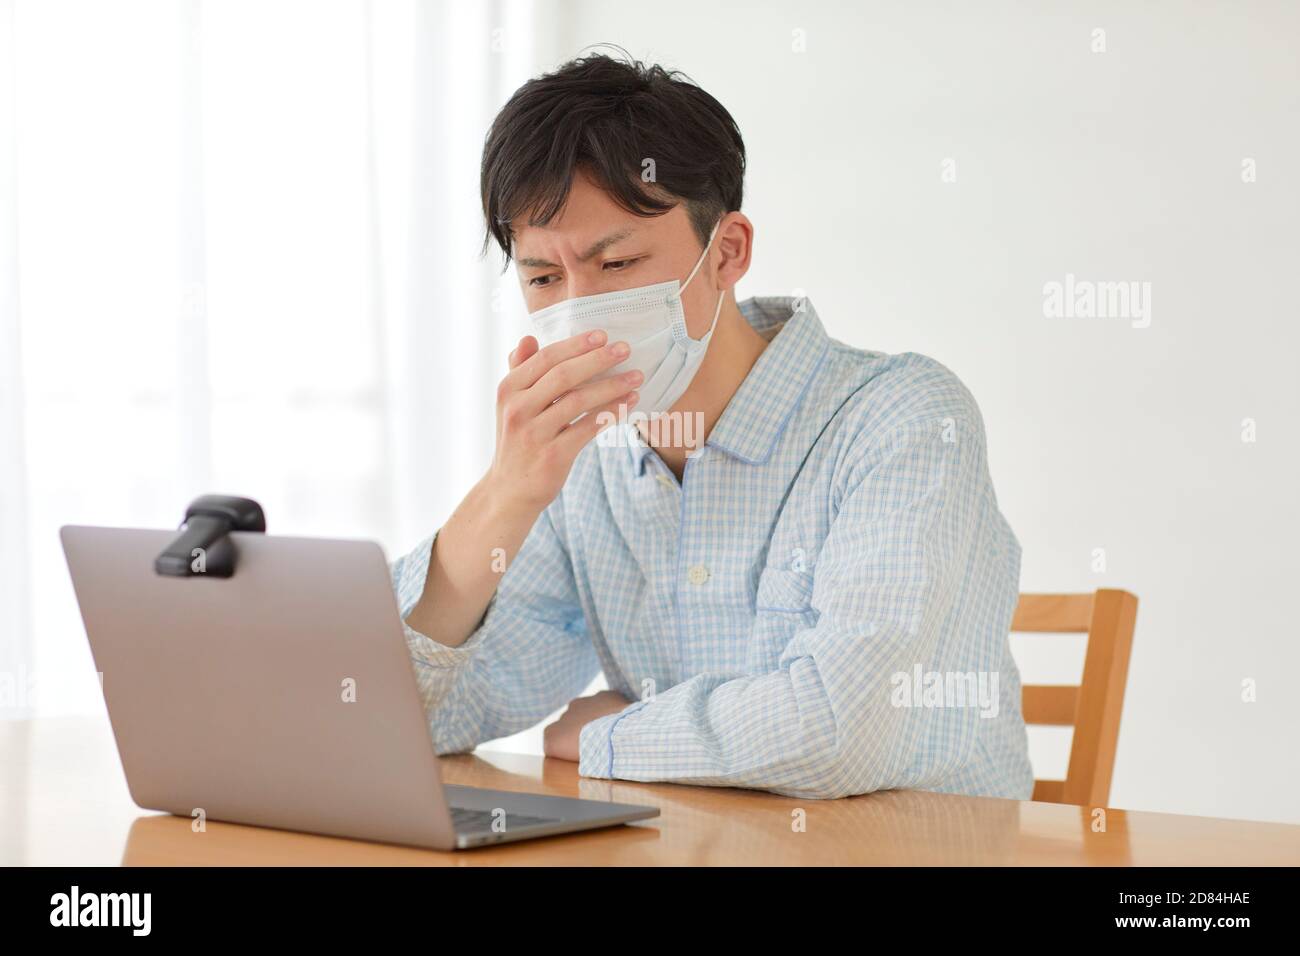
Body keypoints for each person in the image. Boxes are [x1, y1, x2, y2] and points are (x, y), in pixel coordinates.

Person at [390, 50, 1033, 800]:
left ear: (727, 253)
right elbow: (415, 720)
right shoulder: (587, 471)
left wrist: (606, 734)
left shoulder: (903, 420)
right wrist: (505, 494)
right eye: (542, 278)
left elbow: (840, 736)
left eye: (618, 263)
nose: (578, 306)